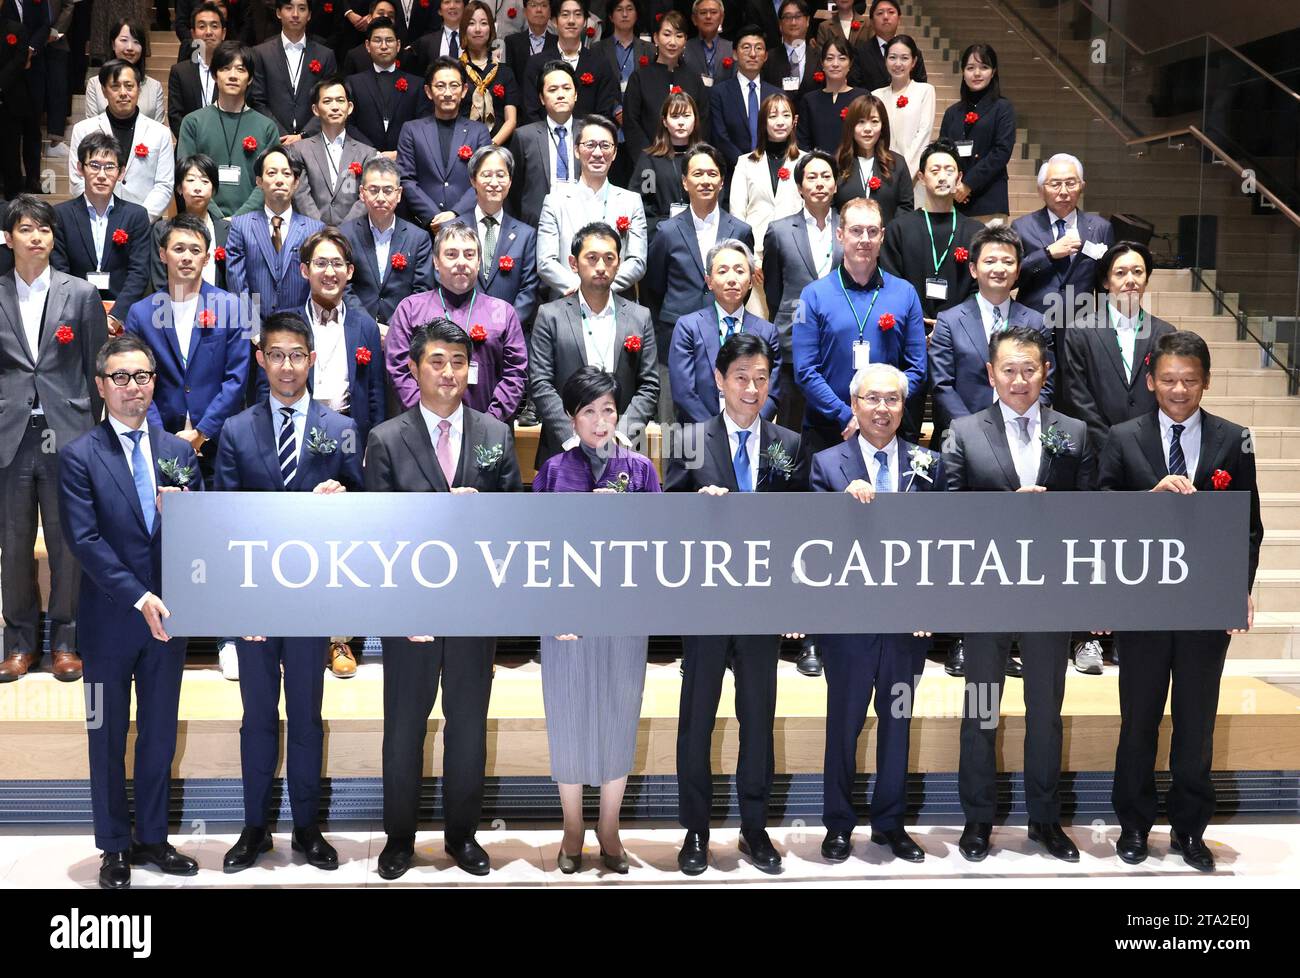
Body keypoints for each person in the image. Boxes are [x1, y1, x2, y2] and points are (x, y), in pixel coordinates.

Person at [1097, 330, 1262, 873]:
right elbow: (1098, 516)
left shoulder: (1234, 440)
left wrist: (1238, 589)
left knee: (1197, 722)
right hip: (1141, 604)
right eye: (1168, 380)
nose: (1178, 389)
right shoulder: (1122, 438)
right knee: (1138, 720)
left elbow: (1249, 527)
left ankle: (1191, 830)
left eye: (1190, 381)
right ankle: (1135, 826)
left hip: (1203, 607)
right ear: (1150, 381)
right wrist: (1147, 501)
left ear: (1206, 382)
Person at [365, 317, 523, 879]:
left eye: (459, 362)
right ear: (414, 367)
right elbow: (379, 537)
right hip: (411, 614)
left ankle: (462, 835)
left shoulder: (494, 435)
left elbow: (511, 526)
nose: (449, 372)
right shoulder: (386, 438)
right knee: (403, 730)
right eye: (437, 361)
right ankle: (399, 840)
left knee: (467, 728)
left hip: (473, 611)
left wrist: (480, 512)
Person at [214, 311, 362, 873]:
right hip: (255, 601)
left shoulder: (339, 427)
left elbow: (365, 505)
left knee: (305, 715)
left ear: (312, 359)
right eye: (275, 354)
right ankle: (254, 828)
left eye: (296, 355)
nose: (286, 366)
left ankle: (306, 828)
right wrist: (236, 608)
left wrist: (342, 494)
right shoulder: (236, 430)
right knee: (257, 717)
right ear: (261, 359)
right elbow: (223, 524)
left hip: (312, 597)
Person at [942, 324, 1094, 863]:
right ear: (990, 374)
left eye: (1030, 368)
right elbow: (949, 515)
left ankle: (1045, 819)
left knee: (1045, 712)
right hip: (985, 593)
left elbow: (1091, 515)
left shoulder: (1073, 432)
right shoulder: (963, 431)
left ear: (1045, 372)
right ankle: (978, 819)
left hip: (1049, 594)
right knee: (981, 709)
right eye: (1009, 369)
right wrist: (1006, 515)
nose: (1020, 379)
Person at [57, 333, 203, 888]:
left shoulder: (179, 452)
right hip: (109, 621)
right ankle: (114, 846)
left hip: (169, 621)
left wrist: (186, 513)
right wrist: (138, 595)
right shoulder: (78, 456)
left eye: (142, 376)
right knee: (107, 735)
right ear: (101, 386)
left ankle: (153, 839)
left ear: (153, 382)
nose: (133, 387)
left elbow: (200, 535)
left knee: (160, 735)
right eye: (120, 378)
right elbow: (85, 541)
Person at [665, 332, 808, 875]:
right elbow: (667, 523)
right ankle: (695, 833)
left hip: (763, 607)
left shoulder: (787, 444)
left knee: (757, 720)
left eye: (761, 379)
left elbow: (799, 536)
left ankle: (755, 829)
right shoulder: (689, 441)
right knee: (695, 722)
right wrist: (696, 510)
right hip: (704, 605)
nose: (752, 388)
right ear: (720, 381)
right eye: (741, 378)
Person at [811, 362, 942, 864]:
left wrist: (929, 604)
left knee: (898, 723)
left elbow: (941, 544)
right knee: (842, 725)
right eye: (872, 399)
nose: (882, 409)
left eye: (893, 399)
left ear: (904, 406)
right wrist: (840, 508)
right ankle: (838, 824)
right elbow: (812, 549)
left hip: (907, 623)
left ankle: (890, 823)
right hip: (848, 623)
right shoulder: (826, 465)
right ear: (855, 404)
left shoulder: (928, 463)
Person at [532, 365, 659, 874]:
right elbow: (535, 554)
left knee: (617, 718)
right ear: (571, 417)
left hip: (624, 617)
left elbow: (658, 549)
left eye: (609, 410)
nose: (602, 421)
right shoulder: (552, 472)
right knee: (567, 719)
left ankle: (609, 828)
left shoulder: (642, 471)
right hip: (565, 618)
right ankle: (572, 829)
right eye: (589, 412)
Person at [0, 195, 108, 684]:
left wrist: (92, 433)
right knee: (15, 542)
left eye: (43, 229)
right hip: (11, 436)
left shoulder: (80, 295)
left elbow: (96, 370)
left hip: (67, 434)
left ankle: (66, 641)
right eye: (26, 229)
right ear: (9, 239)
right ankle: (20, 642)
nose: (37, 237)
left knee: (69, 543)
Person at [125, 213, 251, 489]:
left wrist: (202, 432)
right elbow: (136, 382)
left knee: (220, 524)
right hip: (159, 440)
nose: (186, 257)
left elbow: (236, 380)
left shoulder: (231, 307)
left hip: (219, 441)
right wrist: (164, 438)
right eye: (178, 249)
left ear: (207, 259)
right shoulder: (142, 313)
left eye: (195, 251)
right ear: (162, 254)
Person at [792, 195, 924, 454]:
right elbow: (805, 371)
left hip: (887, 429)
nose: (865, 239)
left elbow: (917, 369)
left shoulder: (906, 293)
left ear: (882, 236)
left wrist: (881, 410)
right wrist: (848, 415)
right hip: (828, 429)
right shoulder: (811, 295)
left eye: (872, 231)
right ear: (840, 234)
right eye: (856, 230)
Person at [530, 221, 658, 466]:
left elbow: (649, 385)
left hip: (622, 449)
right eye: (592, 258)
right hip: (564, 449)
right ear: (574, 263)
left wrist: (619, 433)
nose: (601, 266)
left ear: (618, 263)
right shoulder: (550, 315)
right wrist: (573, 436)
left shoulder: (640, 317)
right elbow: (540, 382)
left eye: (609, 258)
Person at [386, 222, 528, 419]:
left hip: (489, 430)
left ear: (479, 262)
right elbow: (399, 369)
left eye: (469, 255)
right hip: (424, 430)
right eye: (451, 254)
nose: (461, 262)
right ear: (436, 261)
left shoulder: (503, 312)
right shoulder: (410, 309)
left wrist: (489, 423)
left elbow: (515, 373)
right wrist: (429, 418)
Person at [643, 143, 753, 398]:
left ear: (722, 182)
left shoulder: (740, 230)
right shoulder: (667, 231)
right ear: (684, 182)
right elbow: (653, 288)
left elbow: (743, 284)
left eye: (712, 174)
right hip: (677, 336)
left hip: (727, 333)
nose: (705, 180)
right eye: (698, 174)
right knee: (677, 422)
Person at [929, 223, 1052, 443]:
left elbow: (1045, 382)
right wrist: (972, 432)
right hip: (962, 437)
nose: (999, 268)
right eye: (990, 261)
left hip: (1021, 434)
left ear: (1017, 270)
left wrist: (1020, 422)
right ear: (973, 269)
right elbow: (942, 385)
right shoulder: (949, 321)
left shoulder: (1036, 322)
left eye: (1008, 262)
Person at [1061, 241, 1175, 462]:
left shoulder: (1165, 333)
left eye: (1138, 272)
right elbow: (1077, 397)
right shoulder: (1080, 331)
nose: (1130, 280)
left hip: (1151, 450)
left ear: (1146, 279)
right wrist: (1111, 445)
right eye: (1120, 273)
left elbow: (1168, 392)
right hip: (1096, 453)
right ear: (1106, 281)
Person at [762, 149, 841, 434]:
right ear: (799, 187)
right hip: (792, 341)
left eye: (826, 176)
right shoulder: (780, 231)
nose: (819, 183)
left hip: (837, 342)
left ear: (835, 184)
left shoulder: (849, 228)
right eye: (812, 177)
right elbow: (773, 290)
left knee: (832, 425)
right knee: (790, 427)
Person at [669, 239, 781, 423]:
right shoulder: (688, 327)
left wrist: (748, 428)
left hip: (751, 433)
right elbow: (684, 394)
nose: (731, 279)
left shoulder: (767, 332)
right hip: (701, 435)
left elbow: (772, 394)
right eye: (722, 271)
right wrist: (716, 433)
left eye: (739, 271)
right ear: (709, 281)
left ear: (751, 281)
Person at [537, 113, 646, 299]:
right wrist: (580, 289)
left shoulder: (631, 201)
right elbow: (545, 261)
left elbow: (637, 261)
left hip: (617, 301)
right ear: (577, 151)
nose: (597, 153)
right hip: (568, 300)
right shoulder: (555, 201)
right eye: (590, 145)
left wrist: (602, 287)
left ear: (615, 153)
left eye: (605, 146)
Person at [52, 132, 153, 333]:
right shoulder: (60, 215)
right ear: (80, 168)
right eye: (94, 165)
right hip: (74, 315)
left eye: (109, 167)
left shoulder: (136, 215)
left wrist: (116, 316)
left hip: (123, 316)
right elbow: (60, 272)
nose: (101, 175)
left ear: (121, 172)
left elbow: (139, 273)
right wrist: (85, 316)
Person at [880, 139, 982, 326]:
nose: (942, 177)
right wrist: (916, 319)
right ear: (921, 177)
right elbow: (891, 281)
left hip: (961, 329)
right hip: (909, 326)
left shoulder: (976, 232)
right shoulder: (899, 229)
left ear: (959, 178)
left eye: (949, 171)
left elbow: (979, 288)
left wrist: (950, 324)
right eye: (935, 171)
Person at [176, 41, 282, 219]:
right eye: (225, 68)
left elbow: (269, 180)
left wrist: (238, 219)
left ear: (250, 79)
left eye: (240, 69)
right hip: (203, 221)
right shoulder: (193, 122)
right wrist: (217, 218)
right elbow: (187, 175)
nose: (233, 75)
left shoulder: (267, 127)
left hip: (254, 222)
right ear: (215, 75)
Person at [1011, 153, 1115, 334]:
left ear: (1082, 186)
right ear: (1041, 190)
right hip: (1033, 325)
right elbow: (1011, 278)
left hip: (1082, 326)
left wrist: (1106, 327)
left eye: (1071, 183)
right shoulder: (1022, 227)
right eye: (1055, 184)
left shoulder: (1100, 228)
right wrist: (1047, 254)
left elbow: (1106, 285)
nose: (1064, 191)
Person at [226, 145, 327, 319]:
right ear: (259, 181)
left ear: (296, 182)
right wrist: (254, 331)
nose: (279, 180)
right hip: (253, 331)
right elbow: (238, 285)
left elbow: (318, 286)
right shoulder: (240, 225)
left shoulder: (314, 229)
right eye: (271, 173)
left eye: (287, 174)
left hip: (300, 328)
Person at [68, 61, 175, 223]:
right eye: (115, 87)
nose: (123, 93)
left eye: (129, 86)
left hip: (145, 225)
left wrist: (138, 221)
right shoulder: (83, 130)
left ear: (139, 89)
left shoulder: (160, 133)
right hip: (95, 221)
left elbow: (164, 186)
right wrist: (101, 217)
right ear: (104, 91)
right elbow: (77, 181)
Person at [397, 57, 493, 232]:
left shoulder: (479, 132)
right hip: (422, 227)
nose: (447, 92)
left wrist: (454, 214)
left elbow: (484, 179)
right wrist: (434, 217)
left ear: (464, 90)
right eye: (440, 86)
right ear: (428, 91)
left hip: (468, 225)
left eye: (454, 85)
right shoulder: (411, 130)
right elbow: (406, 179)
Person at [340, 156, 434, 332]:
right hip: (356, 328)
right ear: (362, 192)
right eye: (374, 190)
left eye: (388, 190)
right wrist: (370, 326)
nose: (381, 198)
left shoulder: (419, 238)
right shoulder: (345, 235)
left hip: (404, 332)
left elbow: (422, 290)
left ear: (398, 194)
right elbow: (343, 286)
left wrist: (395, 328)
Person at [728, 91, 804, 288]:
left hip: (797, 252)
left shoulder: (806, 161)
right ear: (763, 122)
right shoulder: (745, 162)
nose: (780, 122)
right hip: (756, 255)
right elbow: (737, 216)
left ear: (794, 121)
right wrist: (749, 259)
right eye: (773, 116)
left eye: (786, 115)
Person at [938, 43, 1015, 222]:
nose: (977, 73)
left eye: (984, 67)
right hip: (955, 200)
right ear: (963, 72)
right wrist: (956, 186)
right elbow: (942, 153)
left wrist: (968, 184)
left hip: (989, 200)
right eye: (970, 68)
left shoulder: (1003, 108)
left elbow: (1001, 152)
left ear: (994, 72)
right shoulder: (952, 112)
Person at [621, 10, 709, 163]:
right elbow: (631, 122)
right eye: (667, 34)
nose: (672, 42)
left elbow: (704, 120)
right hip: (649, 160)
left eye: (679, 36)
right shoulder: (640, 77)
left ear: (685, 40)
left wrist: (695, 158)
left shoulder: (694, 78)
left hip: (690, 161)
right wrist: (647, 159)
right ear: (656, 38)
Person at [290, 76, 377, 226]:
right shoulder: (299, 150)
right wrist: (321, 230)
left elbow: (366, 197)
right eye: (327, 101)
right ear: (315, 109)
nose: (335, 107)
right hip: (311, 233)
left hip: (353, 234)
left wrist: (344, 232)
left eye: (340, 100)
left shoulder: (367, 153)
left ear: (349, 108)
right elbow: (301, 195)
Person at [248, 0, 338, 144]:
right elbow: (257, 101)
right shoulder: (261, 53)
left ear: (309, 15)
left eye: (302, 9)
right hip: (273, 139)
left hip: (315, 140)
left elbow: (329, 100)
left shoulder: (325, 55)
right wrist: (281, 134)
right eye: (289, 8)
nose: (295, 14)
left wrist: (304, 135)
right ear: (278, 13)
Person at [521, 0, 618, 125]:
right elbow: (530, 110)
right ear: (555, 21)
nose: (571, 21)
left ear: (585, 22)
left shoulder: (600, 63)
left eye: (578, 14)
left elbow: (605, 111)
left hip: (588, 139)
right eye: (565, 15)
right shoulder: (536, 63)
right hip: (545, 139)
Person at [344, 17, 430, 155]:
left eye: (389, 40)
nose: (383, 46)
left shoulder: (416, 84)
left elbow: (423, 124)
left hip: (405, 159)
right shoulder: (353, 83)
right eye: (377, 40)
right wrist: (372, 152)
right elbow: (348, 124)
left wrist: (400, 152)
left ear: (398, 45)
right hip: (363, 158)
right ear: (367, 45)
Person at [510, 61, 580, 228]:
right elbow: (514, 189)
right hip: (536, 225)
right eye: (552, 90)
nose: (561, 95)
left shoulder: (590, 133)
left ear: (576, 94)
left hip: (580, 222)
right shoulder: (524, 136)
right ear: (542, 98)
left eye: (566, 88)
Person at [150, 155, 232, 293]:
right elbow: (159, 280)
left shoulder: (227, 230)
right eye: (191, 180)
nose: (198, 188)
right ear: (179, 188)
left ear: (213, 189)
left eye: (205, 181)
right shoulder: (162, 229)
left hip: (218, 307)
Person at [707, 24, 777, 171]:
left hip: (771, 169)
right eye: (746, 47)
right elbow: (721, 138)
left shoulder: (777, 95)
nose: (753, 54)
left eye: (759, 48)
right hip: (733, 171)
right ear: (734, 54)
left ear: (765, 56)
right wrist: (745, 165)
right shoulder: (719, 93)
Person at [631, 91, 700, 239]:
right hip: (660, 233)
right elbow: (640, 202)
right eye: (675, 116)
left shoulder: (705, 157)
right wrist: (663, 225)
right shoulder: (650, 159)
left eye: (686, 116)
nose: (681, 122)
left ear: (695, 119)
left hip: (699, 231)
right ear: (664, 121)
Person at [832, 94, 911, 223]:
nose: (868, 129)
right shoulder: (837, 163)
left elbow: (905, 207)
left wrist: (887, 235)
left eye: (874, 122)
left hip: (887, 239)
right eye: (861, 122)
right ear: (851, 126)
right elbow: (830, 207)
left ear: (882, 126)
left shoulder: (897, 163)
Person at [870, 35, 932, 195]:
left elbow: (923, 135)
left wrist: (903, 175)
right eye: (892, 57)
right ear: (885, 60)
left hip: (914, 178)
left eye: (904, 58)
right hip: (883, 176)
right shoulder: (876, 95)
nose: (898, 64)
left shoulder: (925, 91)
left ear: (914, 62)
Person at [459, 0, 520, 145]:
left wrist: (490, 147)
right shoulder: (455, 69)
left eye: (484, 23)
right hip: (460, 146)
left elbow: (511, 120)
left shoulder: (505, 72)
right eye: (471, 23)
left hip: (499, 147)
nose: (478, 29)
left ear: (491, 29)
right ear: (463, 29)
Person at [84, 20, 166, 124]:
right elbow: (91, 127)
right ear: (113, 44)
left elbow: (158, 130)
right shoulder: (95, 84)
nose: (130, 48)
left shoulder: (154, 86)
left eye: (136, 42)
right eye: (124, 40)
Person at [794, 36, 864, 155]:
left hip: (853, 167)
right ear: (822, 63)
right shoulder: (809, 100)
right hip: (818, 169)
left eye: (842, 58)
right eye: (829, 58)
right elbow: (803, 143)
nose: (835, 64)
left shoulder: (862, 97)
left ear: (850, 63)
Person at [167, 2, 228, 137]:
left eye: (214, 26)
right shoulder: (180, 72)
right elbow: (175, 116)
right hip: (190, 151)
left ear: (223, 33)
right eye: (202, 26)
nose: (208, 32)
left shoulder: (233, 71)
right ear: (193, 34)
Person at [850, 0, 926, 92]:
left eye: (891, 12)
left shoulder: (913, 52)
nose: (886, 17)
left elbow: (921, 87)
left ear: (899, 19)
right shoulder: (859, 53)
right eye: (880, 13)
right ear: (871, 21)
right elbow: (856, 88)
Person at [762, 0, 819, 102]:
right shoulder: (768, 59)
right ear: (780, 24)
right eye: (788, 17)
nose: (793, 22)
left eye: (798, 16)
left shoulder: (820, 56)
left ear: (807, 21)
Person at [503, 0, 557, 85]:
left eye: (544, 5)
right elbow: (508, 80)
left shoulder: (558, 43)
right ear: (525, 12)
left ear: (550, 12)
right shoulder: (511, 42)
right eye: (533, 5)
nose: (539, 9)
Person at [681, 0, 732, 86]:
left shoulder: (731, 48)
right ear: (694, 19)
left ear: (721, 18)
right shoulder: (684, 48)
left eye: (713, 12)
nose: (708, 16)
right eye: (703, 12)